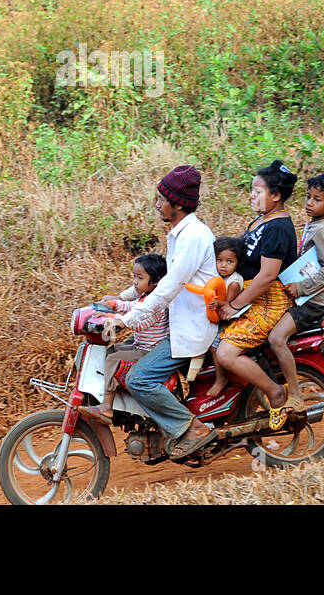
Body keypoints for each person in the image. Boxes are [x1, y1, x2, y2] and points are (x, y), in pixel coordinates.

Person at [99, 165, 221, 459]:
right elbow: (158, 283)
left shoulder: (193, 237)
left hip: (188, 329)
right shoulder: (179, 234)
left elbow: (166, 290)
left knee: (139, 378)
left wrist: (125, 319)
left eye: (161, 199)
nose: (157, 205)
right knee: (113, 354)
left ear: (177, 203)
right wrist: (118, 299)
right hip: (174, 324)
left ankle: (191, 428)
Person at [214, 160, 300, 429]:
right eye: (251, 190)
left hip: (268, 301)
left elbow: (266, 276)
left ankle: (275, 391)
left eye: (258, 191)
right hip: (251, 294)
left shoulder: (277, 228)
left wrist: (234, 305)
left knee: (226, 354)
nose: (251, 195)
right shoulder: (263, 220)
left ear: (276, 196)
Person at [266, 173, 324, 411]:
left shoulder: (322, 231)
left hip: (313, 303)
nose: (309, 203)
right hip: (308, 298)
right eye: (308, 197)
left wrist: (301, 288)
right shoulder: (315, 225)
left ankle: (296, 395)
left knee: (276, 338)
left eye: (317, 199)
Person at [84, 254, 169, 423]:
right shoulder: (145, 296)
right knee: (111, 352)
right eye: (134, 277)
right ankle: (115, 391)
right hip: (140, 345)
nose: (135, 281)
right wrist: (113, 306)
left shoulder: (157, 303)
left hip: (149, 351)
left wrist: (119, 320)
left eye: (140, 277)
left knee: (114, 358)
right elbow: (133, 306)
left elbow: (140, 322)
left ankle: (107, 407)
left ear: (156, 281)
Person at [204, 237, 250, 397]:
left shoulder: (234, 281)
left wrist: (217, 303)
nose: (224, 265)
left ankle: (221, 379)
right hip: (218, 317)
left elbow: (229, 304)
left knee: (214, 346)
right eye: (220, 260)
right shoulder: (218, 277)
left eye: (229, 261)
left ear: (237, 262)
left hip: (230, 321)